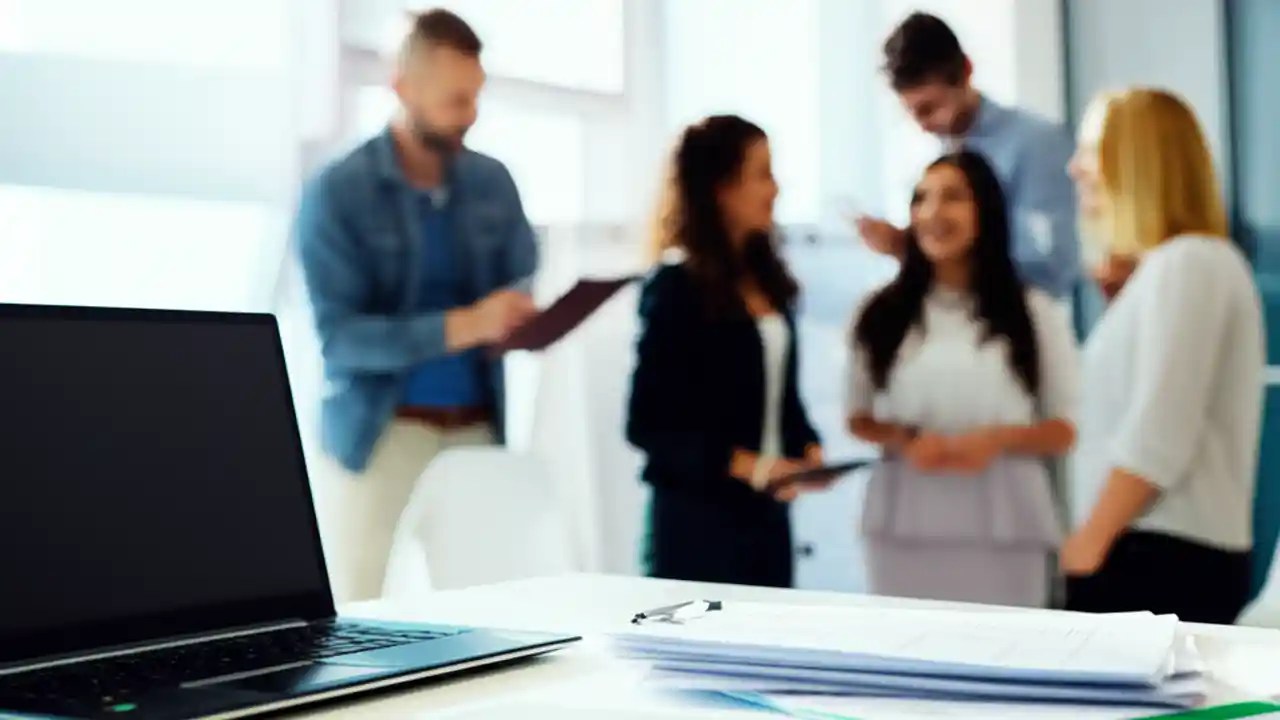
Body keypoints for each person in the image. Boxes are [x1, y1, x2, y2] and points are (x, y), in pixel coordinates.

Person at [296, 9, 538, 602]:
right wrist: (463, 325)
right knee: (352, 607)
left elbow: (523, 278)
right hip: (379, 435)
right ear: (402, 87)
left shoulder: (493, 182)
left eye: (476, 96)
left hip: (475, 429)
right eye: (456, 99)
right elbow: (340, 339)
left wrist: (521, 316)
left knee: (493, 608)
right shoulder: (338, 191)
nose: (470, 114)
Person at [1062, 88, 1265, 624]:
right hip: (1156, 550)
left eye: (1090, 151)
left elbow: (1161, 429)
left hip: (1157, 555)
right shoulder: (1176, 266)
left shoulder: (1189, 262)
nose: (1075, 167)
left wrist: (1088, 543)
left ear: (1135, 161)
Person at [846, 151, 1078, 607]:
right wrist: (908, 439)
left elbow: (1063, 429)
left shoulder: (1035, 314)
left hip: (1007, 523)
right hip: (905, 521)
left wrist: (996, 440)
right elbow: (858, 417)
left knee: (1010, 644)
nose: (932, 212)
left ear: (985, 211)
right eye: (921, 199)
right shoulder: (879, 312)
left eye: (952, 197)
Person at [625, 115, 825, 588]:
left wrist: (808, 448)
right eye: (762, 174)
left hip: (766, 519)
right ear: (721, 187)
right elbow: (647, 424)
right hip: (697, 527)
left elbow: (779, 395)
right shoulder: (674, 287)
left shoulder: (767, 280)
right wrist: (748, 465)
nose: (775, 188)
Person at [858, 12, 1079, 301]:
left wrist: (946, 250)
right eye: (911, 113)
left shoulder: (1038, 143)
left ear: (966, 71)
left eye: (929, 109)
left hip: (1022, 318)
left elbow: (1053, 266)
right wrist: (913, 248)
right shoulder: (941, 154)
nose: (923, 126)